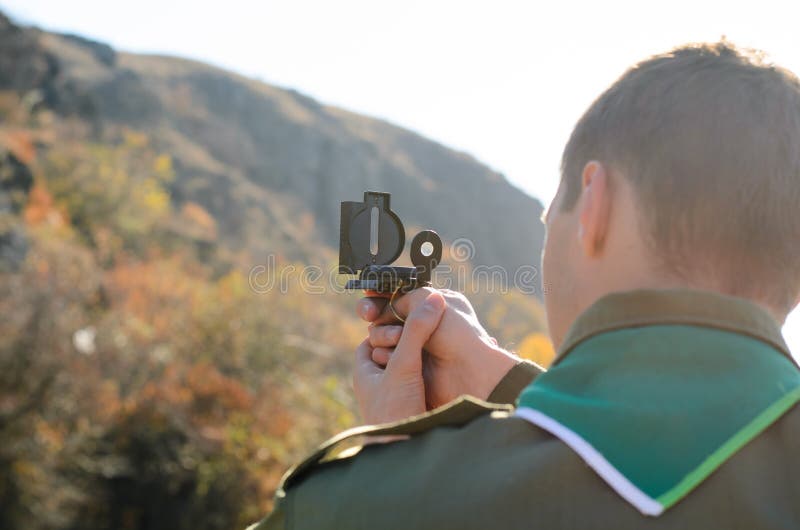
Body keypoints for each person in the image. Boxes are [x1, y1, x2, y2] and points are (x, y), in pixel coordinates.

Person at [249, 41, 800, 529]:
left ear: (593, 205)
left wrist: (398, 469)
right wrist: (509, 387)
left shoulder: (352, 509)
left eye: (548, 219)